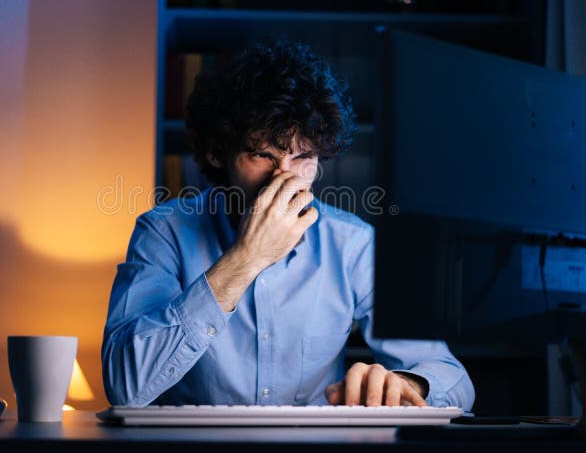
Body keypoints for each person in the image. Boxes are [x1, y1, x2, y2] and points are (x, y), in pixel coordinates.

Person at [101, 39, 475, 410]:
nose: (283, 178)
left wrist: (408, 384)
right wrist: (247, 258)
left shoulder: (352, 244)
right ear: (218, 151)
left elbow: (452, 378)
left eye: (303, 157)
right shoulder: (163, 232)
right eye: (262, 155)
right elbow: (124, 387)